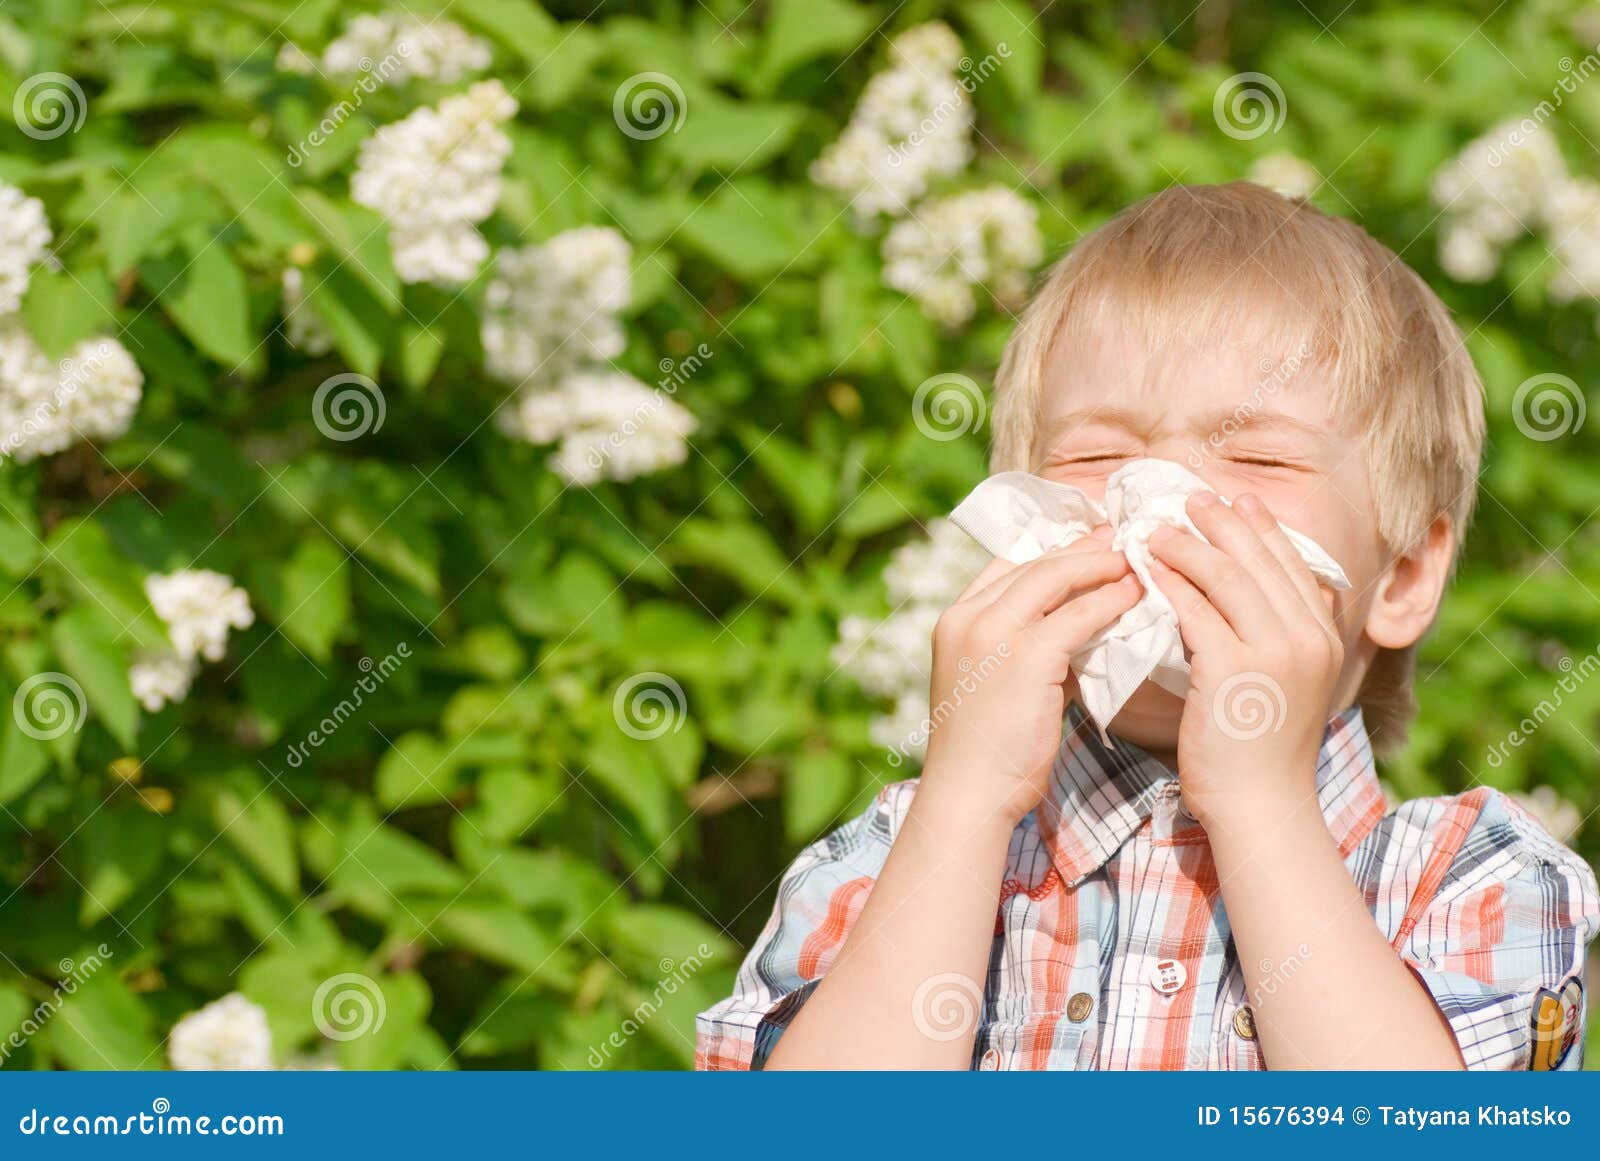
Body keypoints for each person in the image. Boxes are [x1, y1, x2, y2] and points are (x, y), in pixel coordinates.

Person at [696, 182, 1599, 1071]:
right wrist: (963, 799)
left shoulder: (1474, 879)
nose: (1157, 497)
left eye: (1259, 457)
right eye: (1098, 453)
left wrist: (1260, 802)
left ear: (1402, 576)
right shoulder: (892, 857)